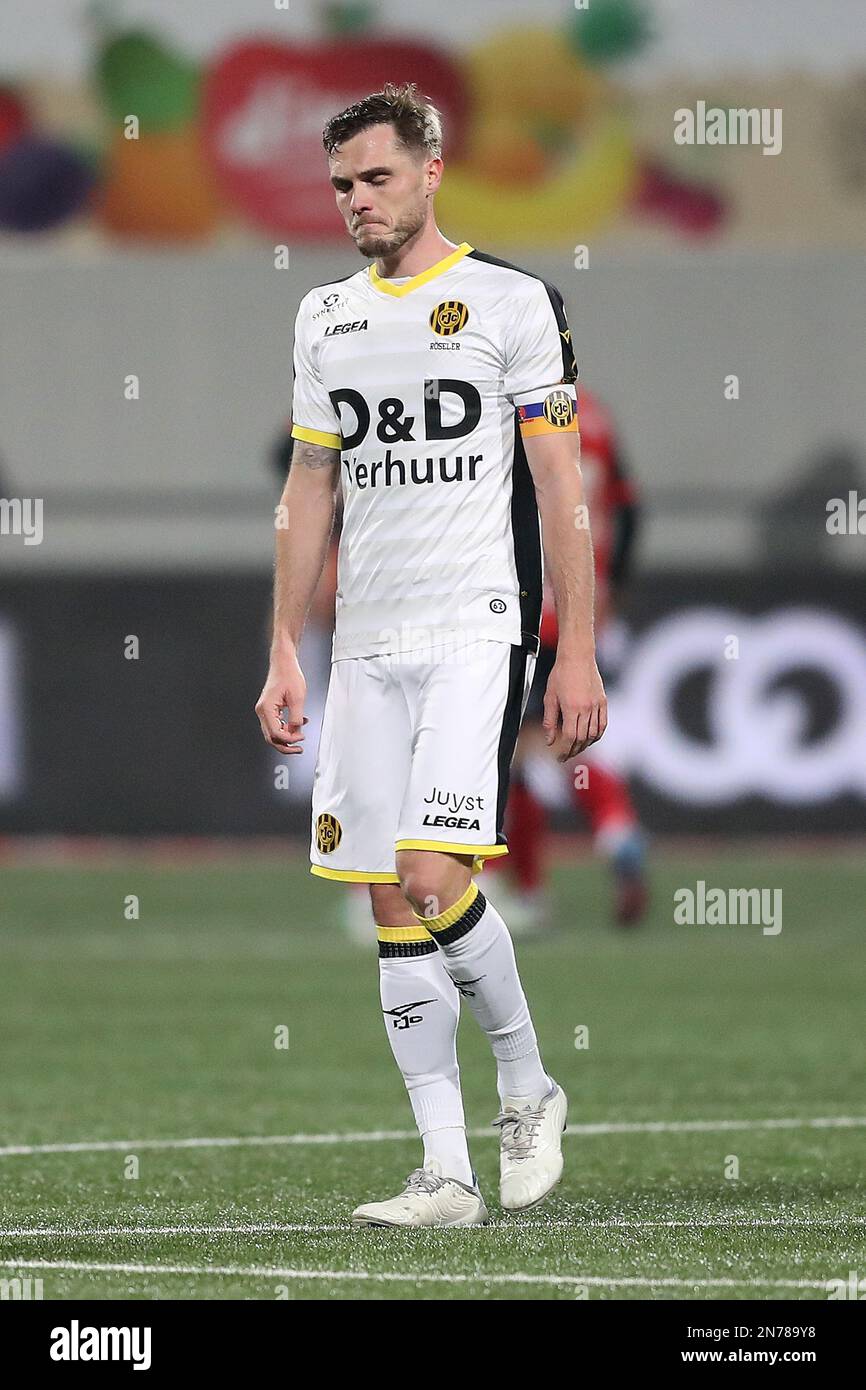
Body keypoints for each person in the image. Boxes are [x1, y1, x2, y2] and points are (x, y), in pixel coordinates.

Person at [255, 83, 606, 1228]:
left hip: (475, 628)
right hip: (365, 646)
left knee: (428, 876)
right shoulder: (322, 319)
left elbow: (562, 489)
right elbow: (309, 488)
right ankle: (445, 1173)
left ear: (430, 169)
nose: (358, 199)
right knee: (387, 908)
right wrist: (284, 651)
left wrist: (577, 653)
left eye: (377, 177)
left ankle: (526, 1078)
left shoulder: (512, 302)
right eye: (343, 184)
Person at [493, 387, 649, 929]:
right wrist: (613, 587)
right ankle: (616, 828)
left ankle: (528, 891)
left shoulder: (511, 412)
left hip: (523, 605)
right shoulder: (596, 414)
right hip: (583, 604)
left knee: (512, 751)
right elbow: (629, 509)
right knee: (554, 743)